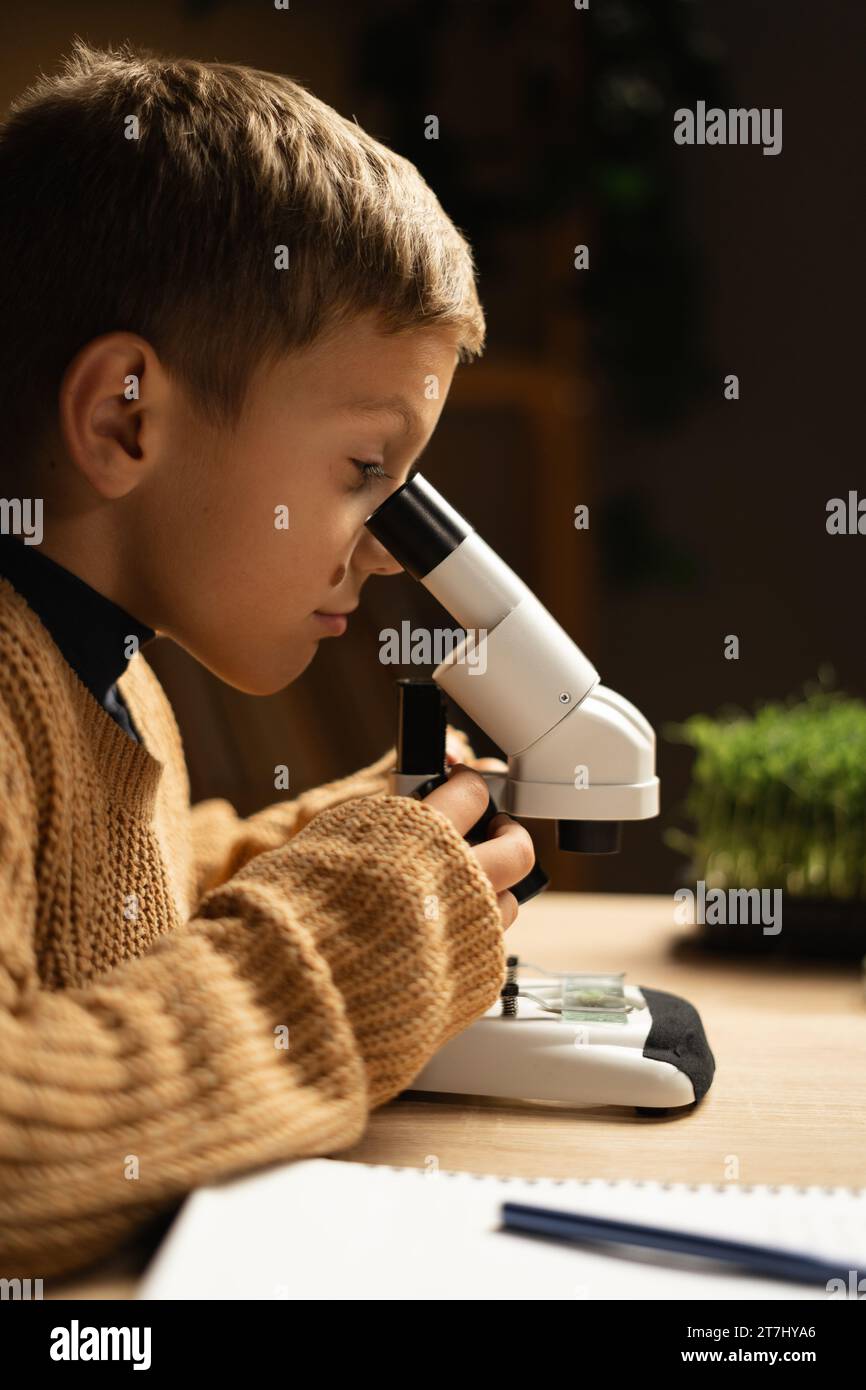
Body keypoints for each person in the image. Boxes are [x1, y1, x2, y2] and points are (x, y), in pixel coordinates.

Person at [0, 40, 535, 1279]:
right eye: (364, 474)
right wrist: (333, 958)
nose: (393, 552)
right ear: (124, 416)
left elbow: (88, 918)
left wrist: (318, 853)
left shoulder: (108, 671)